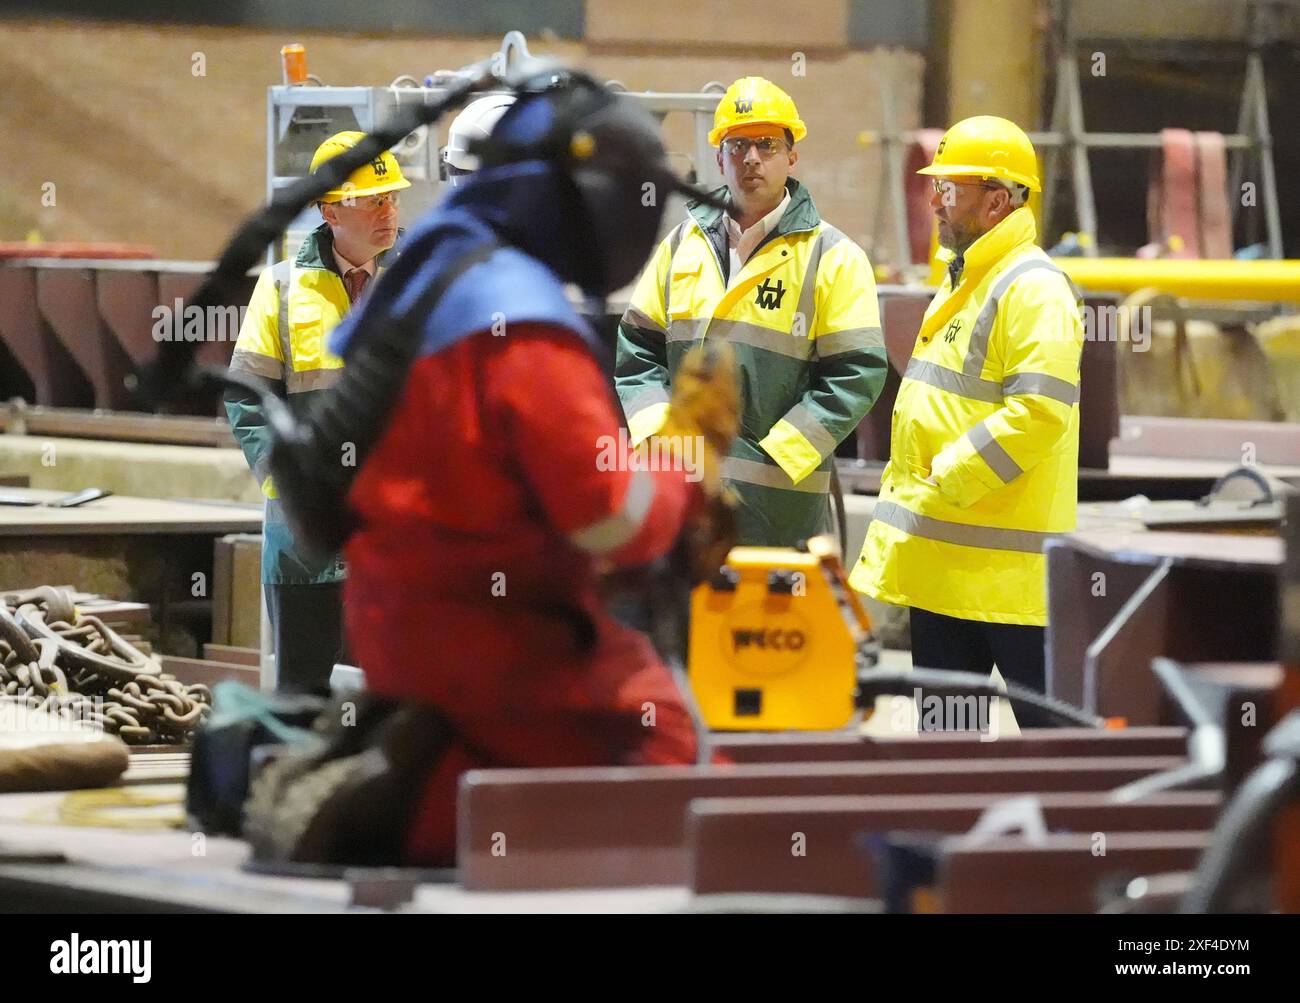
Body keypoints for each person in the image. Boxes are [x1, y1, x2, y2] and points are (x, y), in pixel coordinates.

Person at [252, 75, 732, 867]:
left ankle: (420, 775)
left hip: (405, 622)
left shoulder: (438, 270)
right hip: (493, 631)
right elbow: (605, 515)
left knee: (531, 752)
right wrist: (685, 474)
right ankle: (405, 816)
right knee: (660, 740)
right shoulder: (522, 322)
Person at [850, 116, 1084, 694]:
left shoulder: (1033, 289)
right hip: (945, 574)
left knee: (1051, 742)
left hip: (1010, 589)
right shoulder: (967, 278)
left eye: (950, 189)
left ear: (998, 201)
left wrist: (948, 476)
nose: (935, 201)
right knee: (946, 752)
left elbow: (1040, 413)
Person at [614, 76, 887, 547]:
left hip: (779, 510)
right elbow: (638, 350)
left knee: (770, 620)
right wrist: (660, 438)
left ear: (791, 155)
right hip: (684, 502)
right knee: (689, 619)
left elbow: (857, 371)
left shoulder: (833, 256)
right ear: (719, 157)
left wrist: (777, 454)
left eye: (766, 144)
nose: (751, 158)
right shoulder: (681, 246)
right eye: (737, 145)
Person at [224, 131, 408, 695]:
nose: (388, 213)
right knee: (299, 693)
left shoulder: (412, 287)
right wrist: (285, 484)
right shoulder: (281, 290)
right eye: (372, 200)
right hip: (306, 536)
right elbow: (245, 395)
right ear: (329, 209)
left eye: (392, 199)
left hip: (391, 532)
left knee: (396, 698)